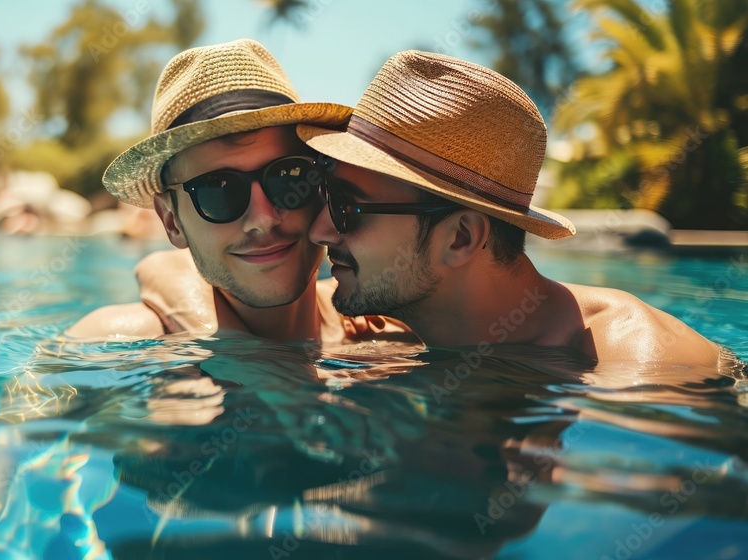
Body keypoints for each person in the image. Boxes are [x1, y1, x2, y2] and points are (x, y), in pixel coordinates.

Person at [145, 49, 722, 367]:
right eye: (216, 194)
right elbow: (184, 269)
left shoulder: (636, 365)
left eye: (346, 207)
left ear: (461, 238)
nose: (319, 229)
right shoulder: (397, 322)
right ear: (172, 219)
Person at [66, 39, 408, 345]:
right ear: (171, 221)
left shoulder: (393, 328)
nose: (262, 218)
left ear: (323, 184)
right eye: (219, 191)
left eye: (288, 177)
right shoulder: (112, 344)